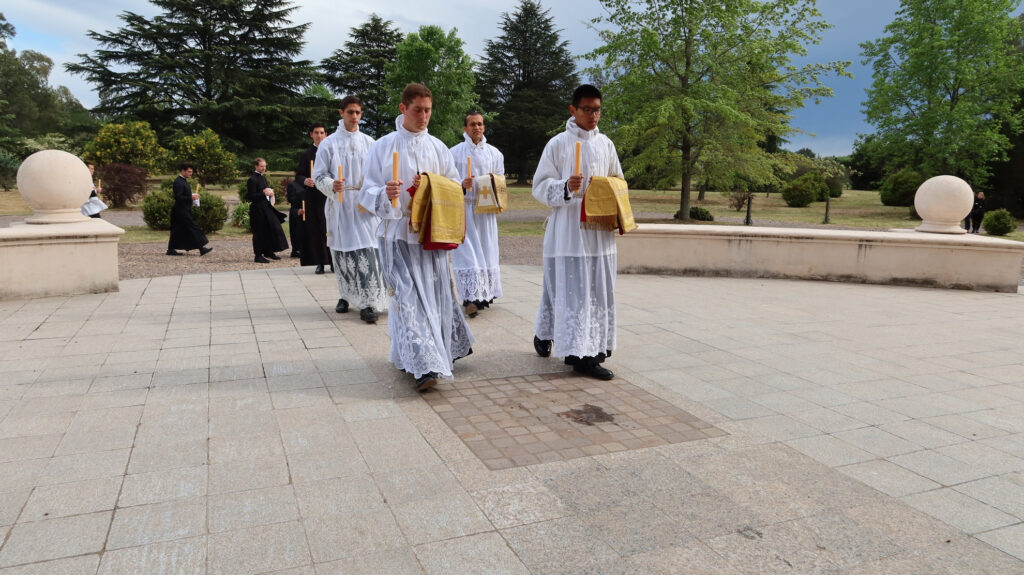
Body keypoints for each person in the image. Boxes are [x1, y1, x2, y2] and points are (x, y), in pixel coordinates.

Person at [360, 83, 474, 390]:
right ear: (403, 108)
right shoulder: (383, 146)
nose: (423, 116)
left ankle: (436, 351)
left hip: (430, 236)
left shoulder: (438, 147)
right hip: (397, 235)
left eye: (428, 110)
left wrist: (432, 185)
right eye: (417, 110)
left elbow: (453, 188)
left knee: (434, 298)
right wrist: (385, 193)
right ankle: (424, 365)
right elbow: (366, 191)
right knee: (407, 298)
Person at [531, 84, 624, 381]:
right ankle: (580, 357)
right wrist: (565, 187)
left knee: (595, 290)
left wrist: (609, 193)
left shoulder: (606, 144)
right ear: (573, 110)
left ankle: (589, 347)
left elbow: (619, 181)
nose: (593, 115)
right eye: (587, 109)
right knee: (572, 292)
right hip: (569, 230)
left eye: (597, 110)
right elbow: (539, 186)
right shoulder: (558, 144)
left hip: (599, 231)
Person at [313, 95, 387, 323]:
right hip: (341, 204)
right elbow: (319, 175)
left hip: (365, 205)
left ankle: (369, 302)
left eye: (358, 112)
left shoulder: (370, 143)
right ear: (341, 113)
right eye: (350, 112)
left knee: (368, 251)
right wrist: (331, 184)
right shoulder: (328, 144)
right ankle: (345, 295)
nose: (354, 116)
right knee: (344, 252)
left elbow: (380, 174)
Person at [449, 112, 505, 318]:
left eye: (480, 124)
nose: (477, 127)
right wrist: (461, 184)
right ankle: (469, 298)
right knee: (467, 253)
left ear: (484, 127)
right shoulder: (454, 153)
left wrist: (491, 180)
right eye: (472, 124)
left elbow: (501, 180)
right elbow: (447, 181)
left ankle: (484, 295)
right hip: (464, 208)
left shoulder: (495, 153)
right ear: (465, 128)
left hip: (486, 211)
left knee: (486, 250)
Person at [297, 123, 332, 274]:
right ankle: (320, 262)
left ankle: (333, 262)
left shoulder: (331, 151)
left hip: (328, 196)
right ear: (311, 134)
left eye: (322, 133)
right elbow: (299, 175)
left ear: (326, 134)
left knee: (329, 229)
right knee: (316, 230)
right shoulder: (306, 154)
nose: (319, 135)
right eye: (316, 133)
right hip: (313, 197)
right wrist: (305, 180)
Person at [247, 158, 289, 263]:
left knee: (271, 228)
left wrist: (270, 193)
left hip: (266, 207)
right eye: (261, 166)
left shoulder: (263, 178)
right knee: (259, 232)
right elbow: (251, 196)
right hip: (257, 209)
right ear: (256, 166)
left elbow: (264, 192)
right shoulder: (252, 179)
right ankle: (258, 255)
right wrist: (264, 193)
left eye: (265, 166)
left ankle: (268, 251)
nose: (264, 168)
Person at [167, 163, 212, 257]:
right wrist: (191, 197)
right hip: (180, 210)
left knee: (177, 230)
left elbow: (184, 195)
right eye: (189, 171)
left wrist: (192, 196)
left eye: (191, 172)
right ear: (182, 171)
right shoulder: (178, 182)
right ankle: (201, 248)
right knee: (193, 228)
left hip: (184, 209)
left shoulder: (184, 181)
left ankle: (171, 249)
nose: (190, 173)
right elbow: (178, 197)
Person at [285, 178, 306, 258]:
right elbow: (291, 199)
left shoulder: (312, 184)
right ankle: (296, 250)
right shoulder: (293, 185)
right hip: (297, 210)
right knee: (296, 231)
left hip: (309, 211)